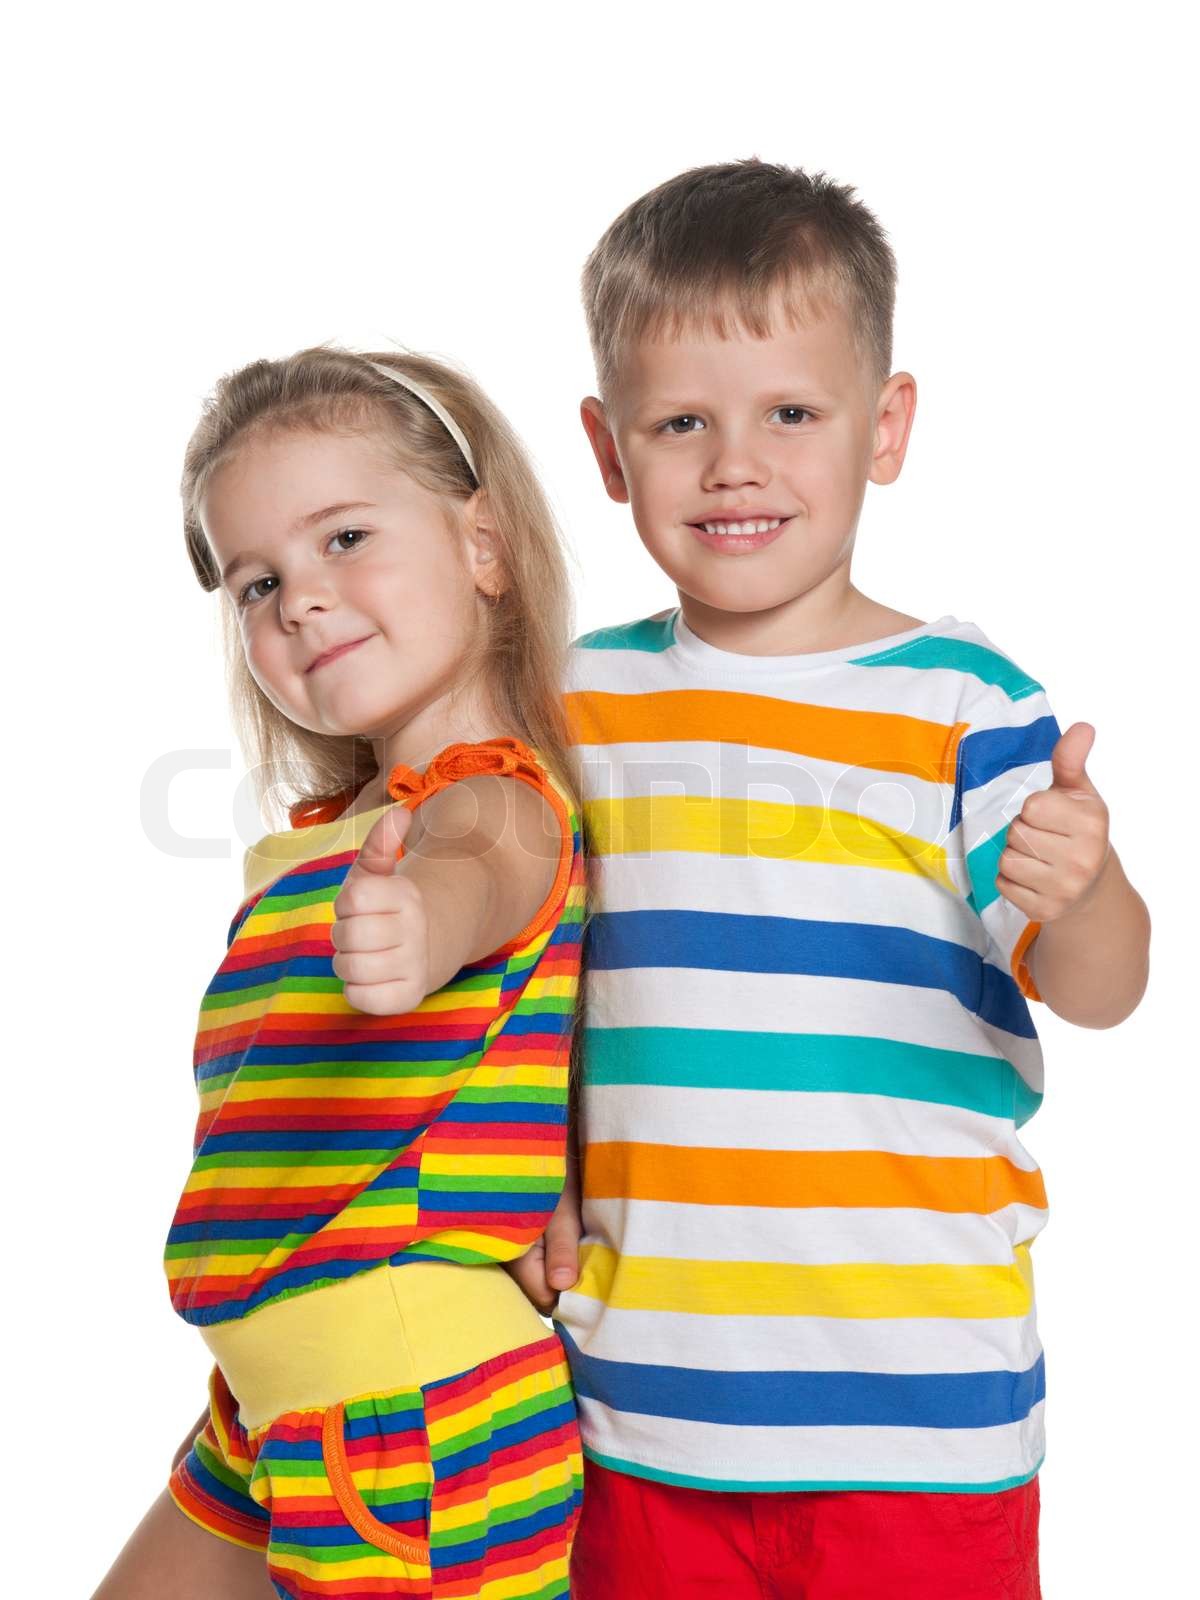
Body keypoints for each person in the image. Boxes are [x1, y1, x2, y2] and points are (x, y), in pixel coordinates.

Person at [508, 160, 1152, 1598]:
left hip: (919, 1426)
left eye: (791, 413)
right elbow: (526, 983)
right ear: (610, 451)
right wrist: (527, 1172)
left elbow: (1105, 990)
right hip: (644, 1411)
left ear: (886, 427)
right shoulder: (572, 701)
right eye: (684, 424)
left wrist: (1084, 884)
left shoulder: (964, 703)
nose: (736, 463)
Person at [93, 346, 587, 1600]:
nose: (301, 598)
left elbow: (485, 869)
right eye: (259, 580)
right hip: (272, 1404)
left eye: (346, 536)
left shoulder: (493, 797)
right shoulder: (328, 829)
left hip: (412, 1420)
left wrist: (422, 915)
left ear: (482, 545)